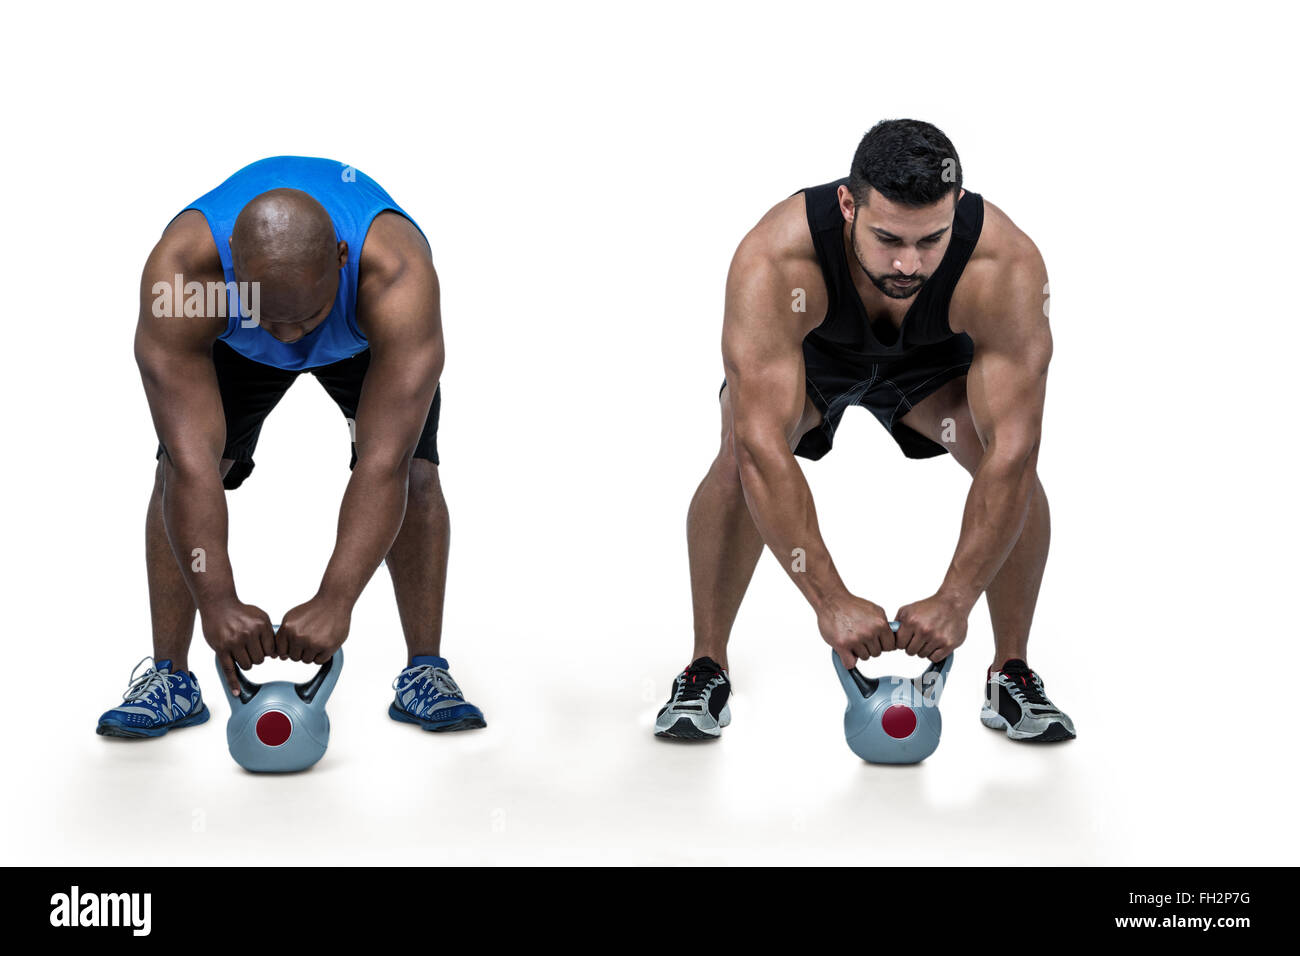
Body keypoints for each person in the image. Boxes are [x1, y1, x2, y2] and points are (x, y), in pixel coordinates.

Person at [655, 120, 1075, 744]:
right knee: (736, 456)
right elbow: (762, 446)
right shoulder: (776, 257)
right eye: (887, 239)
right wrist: (830, 599)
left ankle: (1010, 671)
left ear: (957, 209)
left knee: (1001, 456)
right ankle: (705, 667)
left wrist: (955, 600)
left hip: (931, 369)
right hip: (813, 362)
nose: (909, 263)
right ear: (849, 205)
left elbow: (1015, 453)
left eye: (931, 240)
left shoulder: (1004, 265)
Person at [98, 156, 485, 739]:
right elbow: (192, 465)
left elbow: (384, 464)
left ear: (341, 259)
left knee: (416, 472)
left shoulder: (397, 278)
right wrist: (218, 601)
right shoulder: (184, 281)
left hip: (358, 336)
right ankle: (170, 678)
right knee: (176, 470)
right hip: (232, 335)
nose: (289, 338)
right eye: (271, 315)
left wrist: (336, 597)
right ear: (232, 264)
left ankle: (424, 671)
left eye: (303, 316)